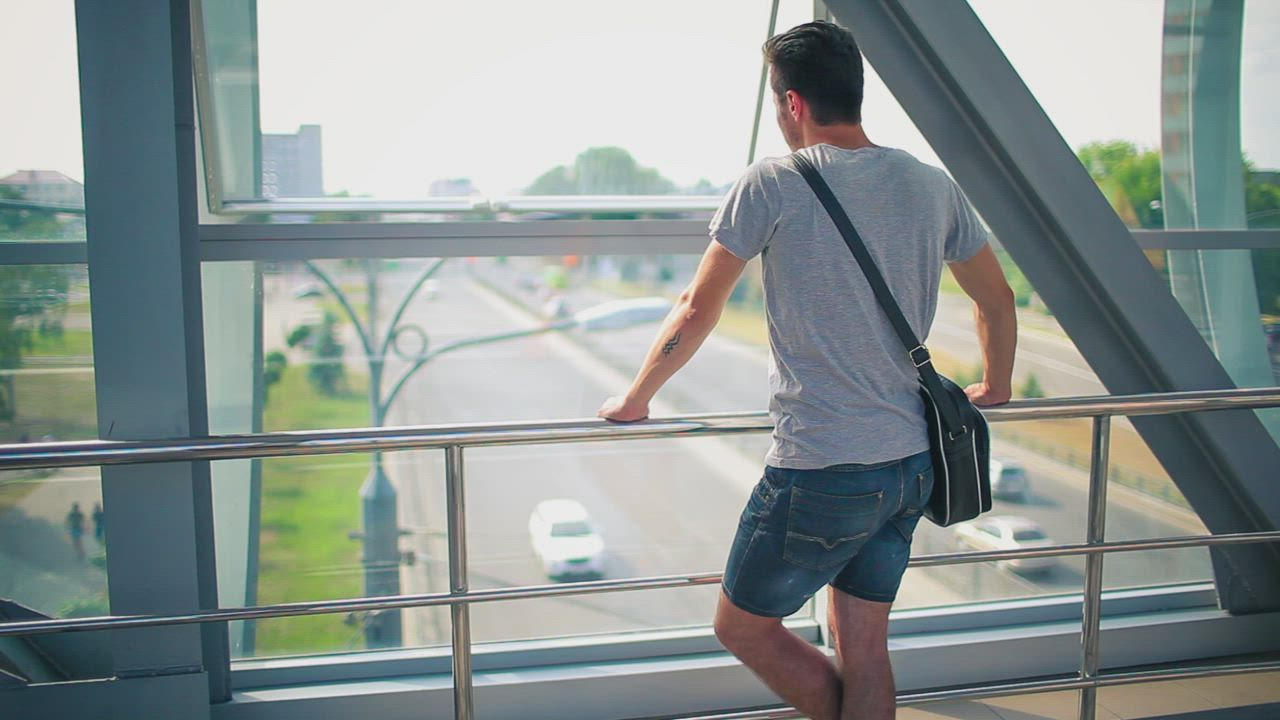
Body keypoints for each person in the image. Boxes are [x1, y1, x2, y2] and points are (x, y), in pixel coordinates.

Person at [598, 20, 1017, 720]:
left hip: (822, 465)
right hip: (911, 463)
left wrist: (637, 397)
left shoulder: (772, 183)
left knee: (741, 627)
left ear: (792, 103)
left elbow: (697, 307)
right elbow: (997, 299)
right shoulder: (931, 185)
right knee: (865, 649)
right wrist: (997, 385)